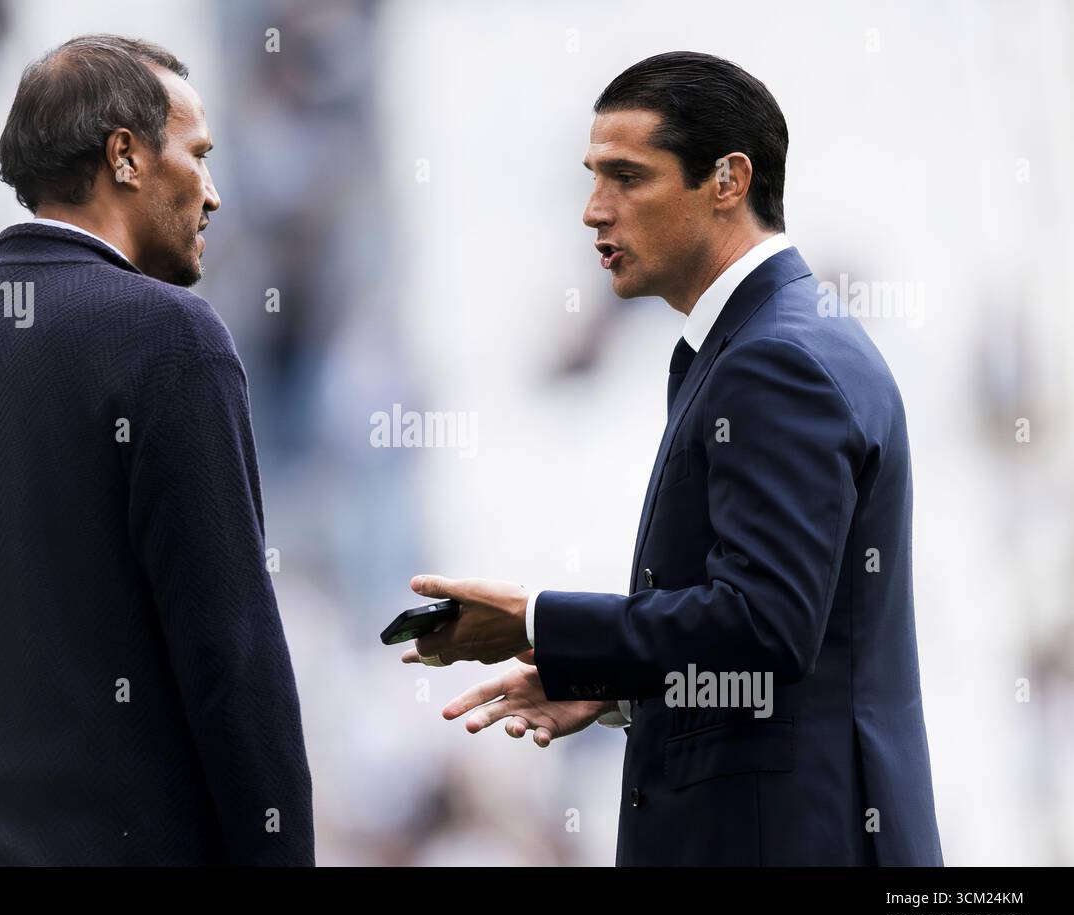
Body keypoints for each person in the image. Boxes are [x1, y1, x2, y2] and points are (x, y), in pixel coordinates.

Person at [402, 52, 943, 867]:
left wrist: (536, 620)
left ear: (727, 180)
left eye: (626, 177)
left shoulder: (777, 358)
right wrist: (611, 680)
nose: (593, 211)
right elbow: (783, 649)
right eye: (593, 178)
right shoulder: (765, 341)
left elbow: (765, 624)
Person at [0, 34, 314, 865]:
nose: (212, 194)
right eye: (199, 156)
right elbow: (232, 661)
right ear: (126, 157)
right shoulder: (168, 339)